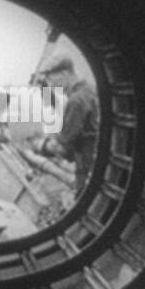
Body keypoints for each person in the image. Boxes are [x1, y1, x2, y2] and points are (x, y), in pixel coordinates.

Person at [37, 55, 99, 194]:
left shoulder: (76, 101)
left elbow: (63, 147)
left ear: (64, 73)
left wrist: (43, 146)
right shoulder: (91, 89)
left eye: (51, 79)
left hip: (88, 166)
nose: (50, 85)